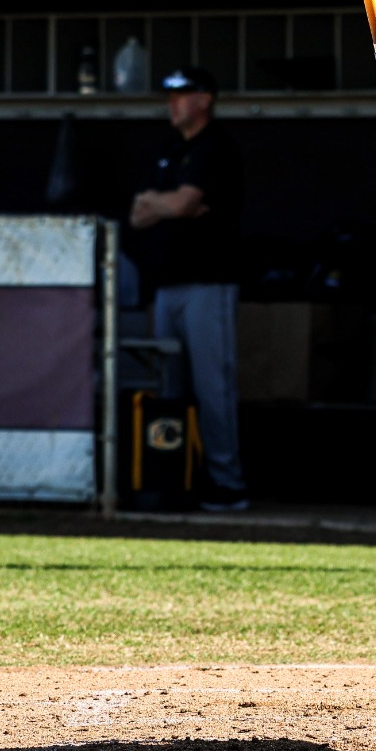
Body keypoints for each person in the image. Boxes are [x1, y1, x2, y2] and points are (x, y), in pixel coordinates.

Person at [131, 66, 248, 511]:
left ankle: (228, 483)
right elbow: (138, 213)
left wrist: (169, 205)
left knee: (212, 387)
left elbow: (180, 203)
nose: (173, 103)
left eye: (182, 95)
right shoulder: (168, 150)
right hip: (167, 286)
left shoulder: (216, 146)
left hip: (208, 284)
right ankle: (171, 477)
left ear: (205, 98)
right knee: (168, 388)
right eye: (170, 95)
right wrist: (172, 206)